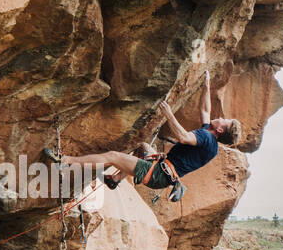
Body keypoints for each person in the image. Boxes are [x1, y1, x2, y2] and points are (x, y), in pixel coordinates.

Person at [45, 70, 243, 193]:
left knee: (113, 156)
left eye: (224, 121)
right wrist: (206, 85)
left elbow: (183, 137)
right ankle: (114, 180)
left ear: (219, 129)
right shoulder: (211, 141)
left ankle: (66, 161)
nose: (220, 117)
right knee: (143, 147)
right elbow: (205, 110)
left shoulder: (206, 137)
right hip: (162, 173)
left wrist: (168, 114)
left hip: (157, 173)